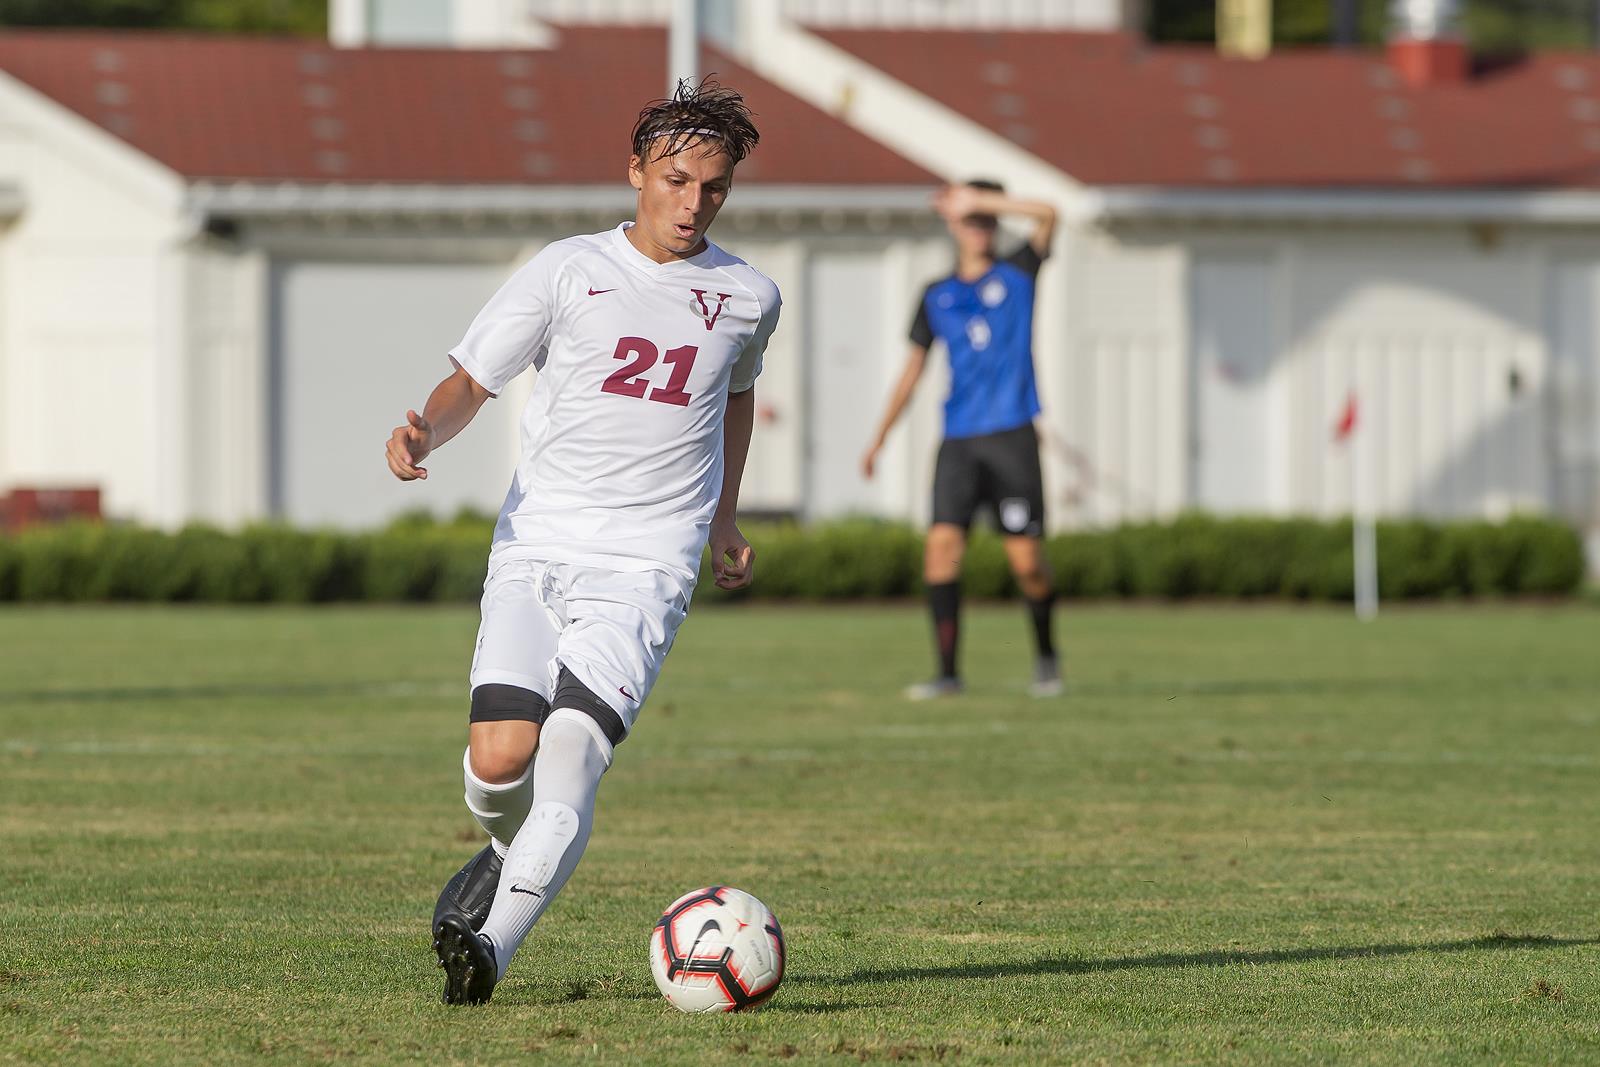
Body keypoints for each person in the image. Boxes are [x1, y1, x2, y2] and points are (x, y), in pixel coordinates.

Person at [384, 80, 779, 1005]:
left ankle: (491, 948)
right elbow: (471, 380)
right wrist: (423, 435)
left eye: (713, 188)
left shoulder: (749, 295)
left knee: (570, 758)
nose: (692, 204)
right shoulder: (567, 270)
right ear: (636, 171)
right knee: (498, 759)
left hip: (646, 567)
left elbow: (736, 397)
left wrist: (724, 517)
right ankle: (499, 850)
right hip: (535, 546)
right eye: (676, 179)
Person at [861, 180, 1060, 700]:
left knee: (1028, 565)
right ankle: (948, 674)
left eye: (987, 219)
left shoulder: (1018, 274)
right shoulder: (936, 294)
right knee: (942, 551)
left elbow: (1047, 213)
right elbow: (913, 370)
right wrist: (880, 437)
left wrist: (983, 200)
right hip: (960, 442)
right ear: (953, 225)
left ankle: (1046, 656)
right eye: (970, 219)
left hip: (1012, 436)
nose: (979, 228)